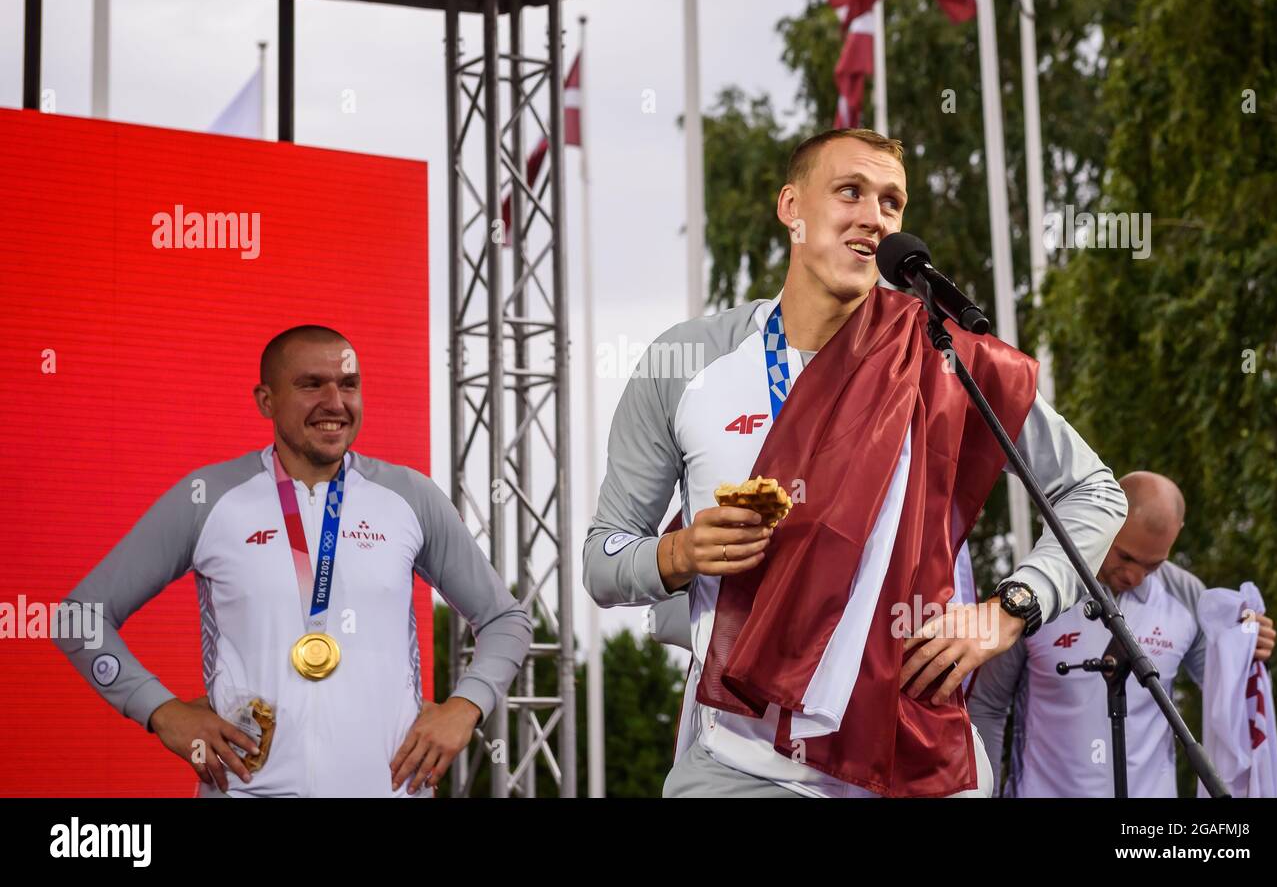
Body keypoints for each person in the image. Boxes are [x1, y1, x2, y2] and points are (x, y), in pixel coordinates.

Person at [584, 128, 1129, 798]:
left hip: (916, 757)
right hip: (739, 763)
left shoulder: (940, 354)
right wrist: (679, 554)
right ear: (792, 207)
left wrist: (1012, 607)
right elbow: (604, 561)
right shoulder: (690, 360)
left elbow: (1095, 491)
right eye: (850, 191)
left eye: (892, 202)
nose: (874, 216)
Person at [54, 325, 531, 797]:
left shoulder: (409, 496)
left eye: (348, 385)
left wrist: (466, 706)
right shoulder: (208, 498)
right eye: (311, 384)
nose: (335, 402)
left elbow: (505, 619)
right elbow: (80, 618)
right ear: (266, 400)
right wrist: (161, 711)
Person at [968, 471, 1277, 797]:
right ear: (1105, 517)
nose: (1134, 575)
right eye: (1125, 556)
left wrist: (1248, 652)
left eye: (1153, 565)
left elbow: (1223, 690)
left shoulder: (1186, 594)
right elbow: (987, 705)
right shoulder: (1036, 591)